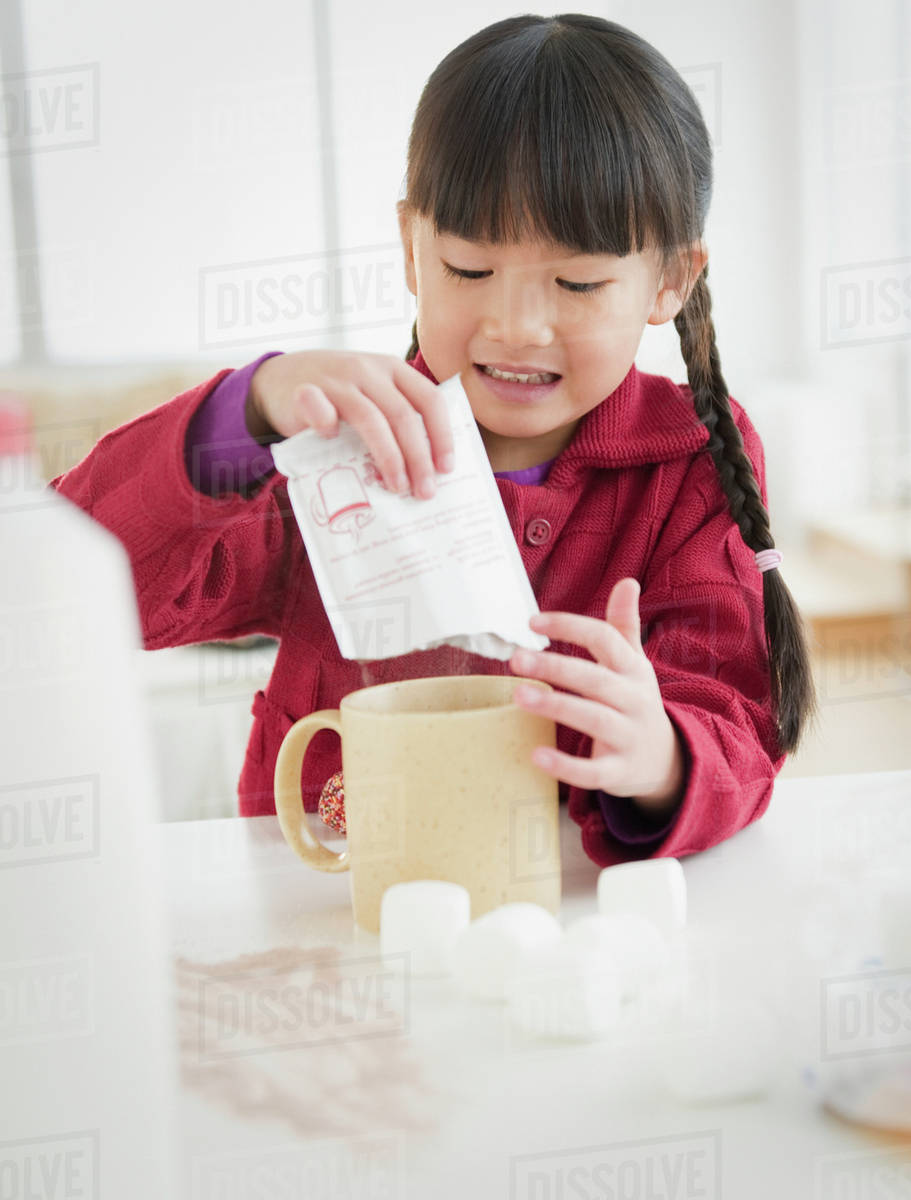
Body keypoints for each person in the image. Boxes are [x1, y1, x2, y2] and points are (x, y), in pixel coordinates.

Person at [50, 13, 817, 867]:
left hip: (572, 926)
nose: (516, 326)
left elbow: (737, 723)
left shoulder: (692, 457)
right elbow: (73, 579)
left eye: (576, 282)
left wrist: (662, 757)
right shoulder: (332, 441)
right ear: (413, 250)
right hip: (329, 914)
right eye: (469, 270)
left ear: (669, 279)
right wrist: (248, 410)